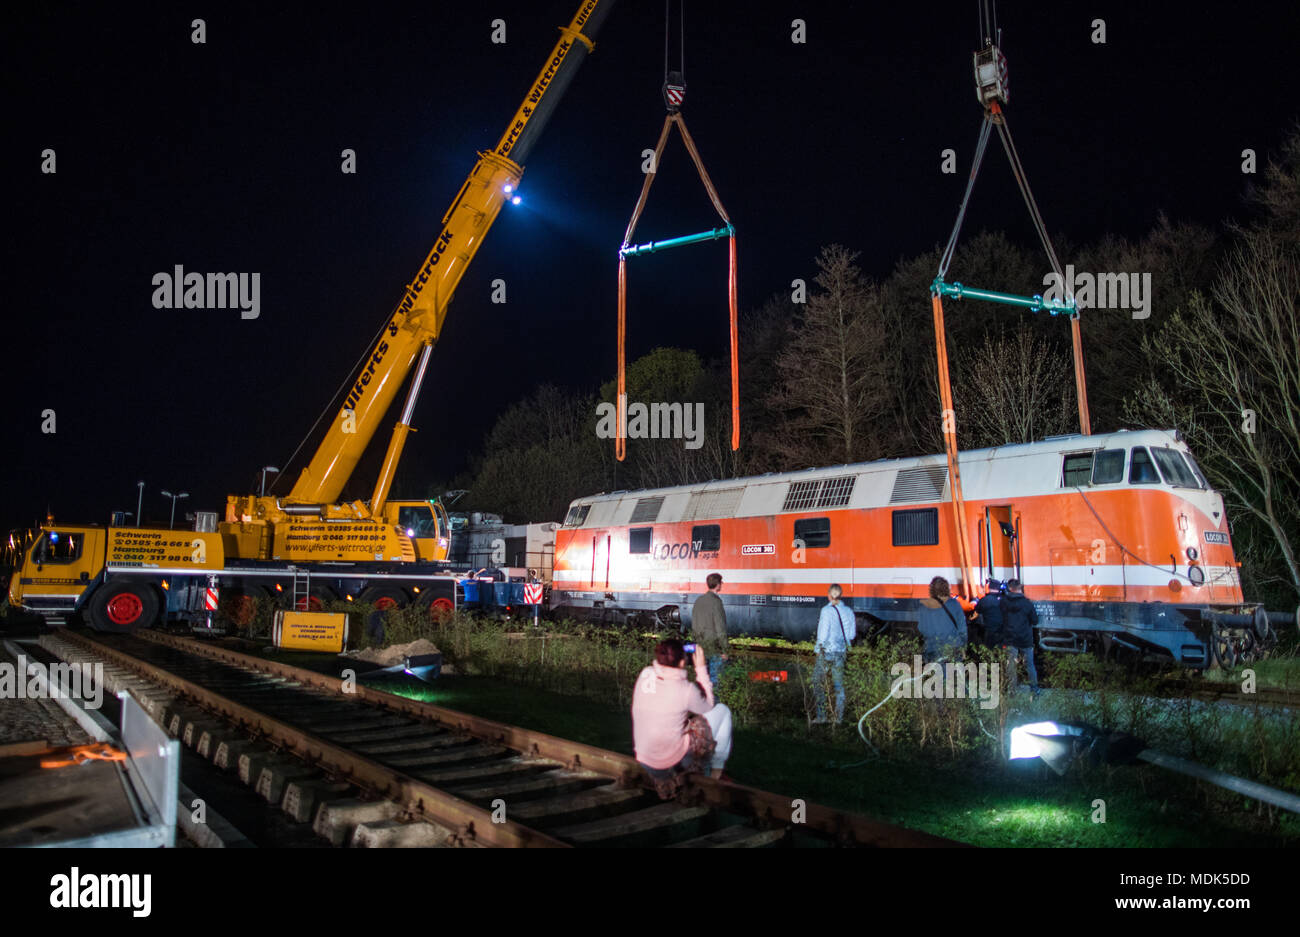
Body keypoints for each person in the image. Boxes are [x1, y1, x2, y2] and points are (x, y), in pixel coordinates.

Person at [631, 639, 733, 798]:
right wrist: (700, 668)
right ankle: (715, 774)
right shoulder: (686, 690)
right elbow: (708, 706)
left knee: (684, 721)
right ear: (681, 662)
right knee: (722, 712)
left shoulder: (646, 673)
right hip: (672, 763)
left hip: (645, 758)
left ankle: (669, 776)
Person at [812, 583, 856, 723]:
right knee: (838, 686)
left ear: (829, 595)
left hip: (827, 652)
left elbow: (823, 633)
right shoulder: (848, 611)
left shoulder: (826, 611)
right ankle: (839, 718)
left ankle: (822, 716)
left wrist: (818, 649)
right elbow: (851, 635)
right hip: (840, 652)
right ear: (841, 595)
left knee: (818, 682)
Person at [917, 576, 967, 665]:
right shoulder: (955, 604)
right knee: (951, 675)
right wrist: (963, 647)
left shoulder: (923, 607)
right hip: (952, 647)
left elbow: (921, 629)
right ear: (946, 588)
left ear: (931, 589)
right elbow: (962, 629)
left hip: (932, 648)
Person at [1000, 579, 1039, 694]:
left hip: (1009, 638)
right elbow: (1035, 621)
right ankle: (1034, 689)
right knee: (1030, 665)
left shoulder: (1003, 602)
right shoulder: (1027, 604)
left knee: (1010, 665)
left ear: (1010, 589)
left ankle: (1012, 690)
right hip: (1025, 639)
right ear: (1020, 589)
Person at [691, 573, 729, 687]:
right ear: (717, 585)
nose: (722, 584)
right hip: (714, 648)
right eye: (721, 582)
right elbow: (720, 627)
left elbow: (694, 624)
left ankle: (702, 703)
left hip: (701, 645)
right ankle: (713, 703)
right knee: (715, 681)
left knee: (702, 679)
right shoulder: (716, 602)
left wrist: (697, 644)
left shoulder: (699, 600)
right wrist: (724, 649)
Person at [975, 578, 1005, 647]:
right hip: (1003, 631)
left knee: (989, 651)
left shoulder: (985, 600)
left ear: (989, 587)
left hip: (989, 631)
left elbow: (976, 611)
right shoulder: (1004, 599)